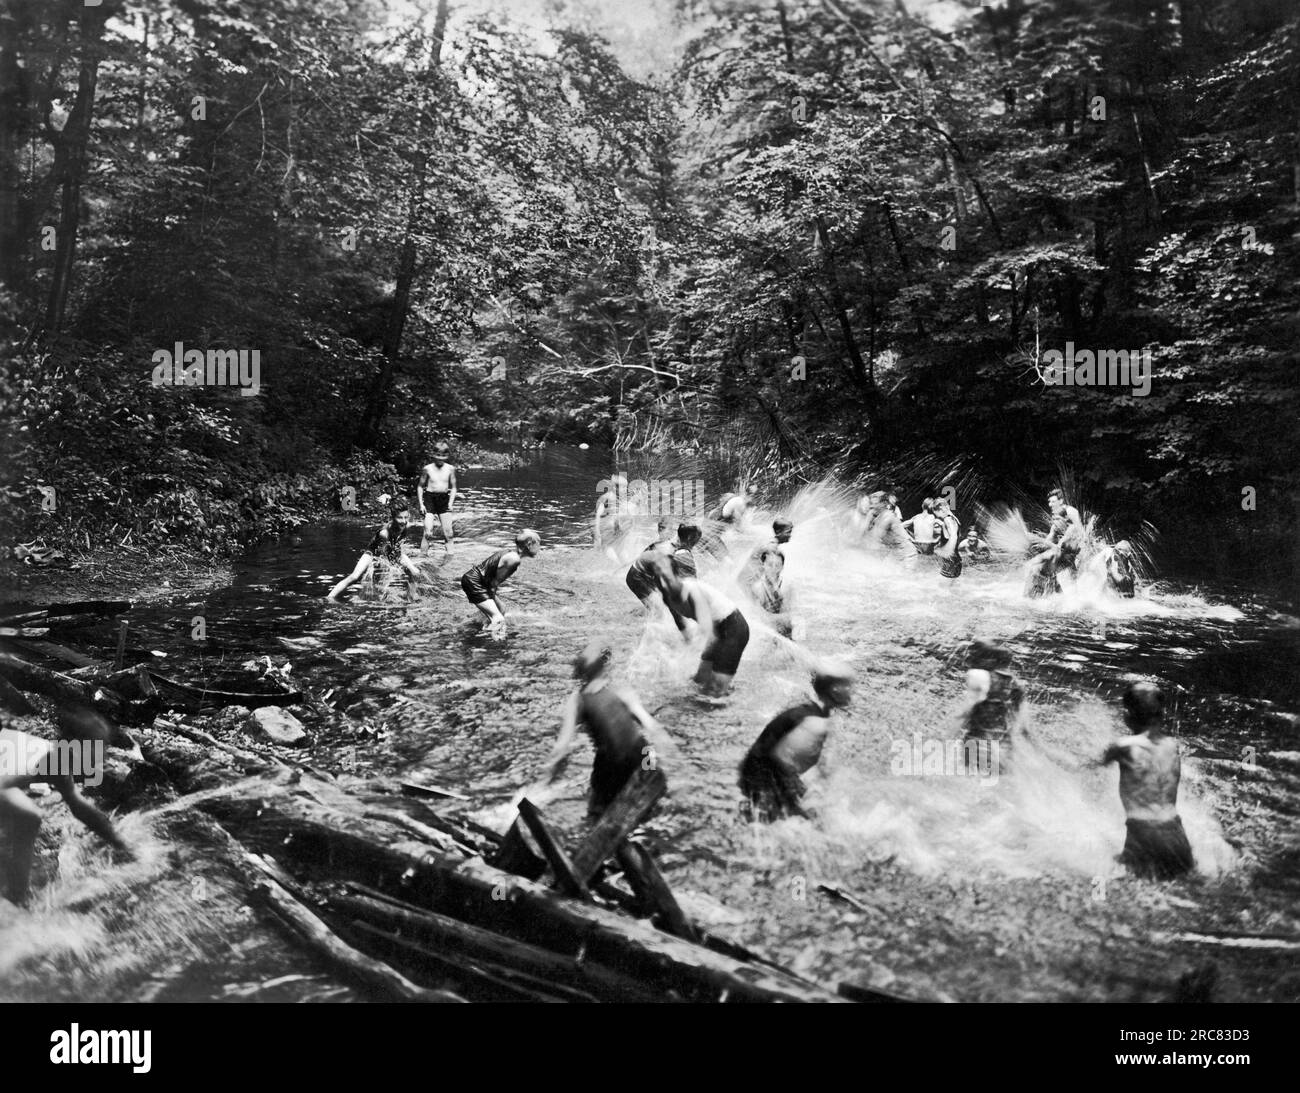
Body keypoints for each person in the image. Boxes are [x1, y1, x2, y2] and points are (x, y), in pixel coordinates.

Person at [0, 705, 133, 905]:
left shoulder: (58, 761)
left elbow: (79, 807)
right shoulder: (43, 760)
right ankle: (16, 897)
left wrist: (119, 842)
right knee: (29, 817)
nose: (103, 756)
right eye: (99, 748)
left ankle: (15, 895)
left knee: (24, 816)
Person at [536, 644, 664, 820]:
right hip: (644, 754)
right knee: (645, 799)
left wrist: (544, 779)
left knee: (597, 813)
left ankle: (595, 819)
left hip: (611, 762)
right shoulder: (621, 691)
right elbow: (652, 727)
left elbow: (561, 747)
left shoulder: (578, 699)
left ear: (580, 674)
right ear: (605, 668)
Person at [738, 662, 853, 822]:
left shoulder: (811, 709)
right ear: (835, 690)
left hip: (757, 773)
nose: (852, 690)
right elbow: (782, 759)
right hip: (762, 779)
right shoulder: (816, 724)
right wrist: (799, 800)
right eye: (848, 685)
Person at [1102, 682, 1194, 880]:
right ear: (1161, 715)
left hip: (1144, 836)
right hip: (1177, 837)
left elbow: (1078, 767)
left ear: (1128, 715)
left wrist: (1029, 738)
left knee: (1110, 886)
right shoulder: (1173, 745)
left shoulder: (1123, 746)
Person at [651, 560, 750, 696]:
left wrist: (684, 654)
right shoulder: (667, 598)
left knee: (716, 689)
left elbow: (707, 630)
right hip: (718, 630)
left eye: (667, 578)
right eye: (659, 579)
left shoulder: (692, 590)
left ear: (677, 574)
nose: (664, 583)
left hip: (734, 629)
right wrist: (682, 644)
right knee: (699, 681)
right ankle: (726, 688)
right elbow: (681, 624)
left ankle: (727, 702)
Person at [327, 501, 423, 601]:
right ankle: (329, 597)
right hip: (372, 553)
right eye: (400, 518)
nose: (403, 521)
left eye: (405, 517)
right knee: (355, 576)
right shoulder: (384, 533)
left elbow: (397, 549)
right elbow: (389, 555)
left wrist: (410, 567)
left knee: (413, 572)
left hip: (389, 552)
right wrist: (402, 565)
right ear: (393, 518)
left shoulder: (405, 526)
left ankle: (410, 599)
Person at [626, 521, 700, 631]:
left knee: (661, 605)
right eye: (696, 540)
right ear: (690, 539)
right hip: (637, 577)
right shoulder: (673, 551)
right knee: (659, 612)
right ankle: (648, 633)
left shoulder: (679, 542)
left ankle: (642, 613)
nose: (697, 543)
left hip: (647, 573)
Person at [460, 529, 541, 630]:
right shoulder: (514, 559)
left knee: (501, 608)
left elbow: (491, 580)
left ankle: (472, 625)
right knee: (499, 620)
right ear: (529, 544)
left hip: (476, 580)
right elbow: (493, 583)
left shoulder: (511, 554)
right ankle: (489, 642)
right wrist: (491, 599)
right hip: (475, 581)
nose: (539, 547)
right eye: (538, 543)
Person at [961, 640, 1025, 765]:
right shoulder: (1016, 685)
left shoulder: (979, 677)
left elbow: (963, 713)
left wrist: (945, 738)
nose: (968, 661)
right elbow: (1021, 726)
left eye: (973, 657)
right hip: (1004, 749)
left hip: (978, 744)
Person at [1026, 488, 1085, 597]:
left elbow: (1081, 532)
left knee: (1046, 563)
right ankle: (1053, 593)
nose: (1050, 504)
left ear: (1061, 501)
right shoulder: (1056, 516)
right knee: (1039, 566)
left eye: (1053, 501)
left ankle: (1057, 593)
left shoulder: (1071, 511)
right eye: (1049, 502)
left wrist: (1081, 554)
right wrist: (1040, 544)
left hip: (1073, 551)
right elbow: (1051, 536)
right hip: (1062, 551)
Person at [417, 442, 458, 555]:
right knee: (428, 532)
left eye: (443, 455)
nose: (440, 458)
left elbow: (453, 488)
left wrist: (450, 503)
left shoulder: (450, 469)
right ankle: (423, 557)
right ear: (433, 454)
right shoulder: (427, 469)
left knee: (448, 533)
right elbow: (420, 486)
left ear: (447, 456)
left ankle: (450, 557)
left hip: (444, 499)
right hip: (430, 499)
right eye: (438, 455)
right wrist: (421, 504)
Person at [933, 497, 962, 579]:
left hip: (950, 562)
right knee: (950, 589)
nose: (937, 516)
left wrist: (945, 550)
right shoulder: (953, 519)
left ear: (941, 509)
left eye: (936, 513)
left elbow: (954, 537)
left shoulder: (948, 519)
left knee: (943, 588)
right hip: (953, 561)